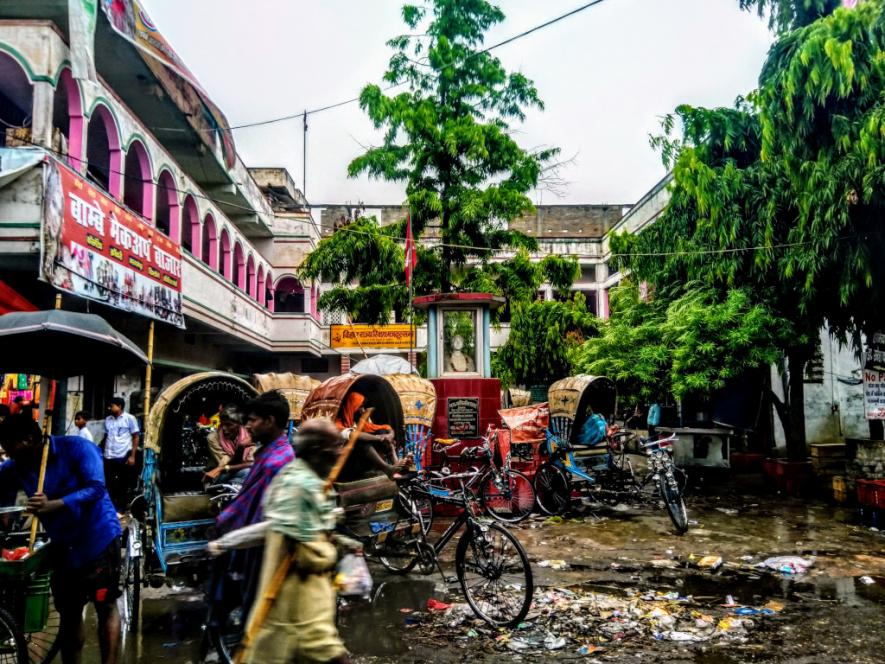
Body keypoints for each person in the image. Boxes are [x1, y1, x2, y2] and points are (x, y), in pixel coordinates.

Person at [208, 419, 350, 664]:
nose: (340, 453)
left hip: (299, 605)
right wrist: (331, 551)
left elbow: (277, 527)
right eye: (335, 446)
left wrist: (228, 541)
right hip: (299, 603)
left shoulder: (297, 475)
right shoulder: (300, 484)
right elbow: (308, 553)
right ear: (318, 451)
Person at [0, 414, 122, 664]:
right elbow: (4, 502)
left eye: (10, 445)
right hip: (63, 544)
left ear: (29, 439)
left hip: (97, 537)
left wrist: (54, 504)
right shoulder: (14, 466)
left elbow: (96, 488)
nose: (6, 451)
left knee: (105, 605)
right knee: (69, 613)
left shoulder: (78, 448)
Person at [214, 392, 295, 627]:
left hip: (265, 549)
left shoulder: (276, 462)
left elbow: (257, 511)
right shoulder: (267, 453)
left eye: (252, 420)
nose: (247, 425)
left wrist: (226, 528)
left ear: (269, 421)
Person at [334, 392, 408, 481]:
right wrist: (379, 438)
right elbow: (355, 435)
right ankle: (387, 469)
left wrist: (389, 435)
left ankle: (395, 465)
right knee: (360, 440)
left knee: (382, 432)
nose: (363, 410)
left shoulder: (359, 423)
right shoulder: (338, 424)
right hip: (345, 465)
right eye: (360, 407)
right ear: (352, 407)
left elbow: (386, 427)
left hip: (361, 463)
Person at [101, 397, 140, 513]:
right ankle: (111, 508)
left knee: (122, 483)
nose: (109, 408)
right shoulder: (108, 419)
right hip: (108, 456)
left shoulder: (130, 419)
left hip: (122, 455)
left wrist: (132, 456)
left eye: (112, 406)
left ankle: (122, 508)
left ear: (119, 406)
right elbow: (106, 437)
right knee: (109, 483)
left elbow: (136, 437)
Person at [204, 405, 254, 484]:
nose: (224, 428)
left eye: (228, 425)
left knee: (250, 473)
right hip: (219, 474)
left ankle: (233, 486)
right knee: (248, 473)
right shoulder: (213, 438)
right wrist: (241, 447)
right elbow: (225, 464)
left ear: (239, 424)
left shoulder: (249, 435)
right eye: (222, 424)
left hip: (236, 471)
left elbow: (253, 463)